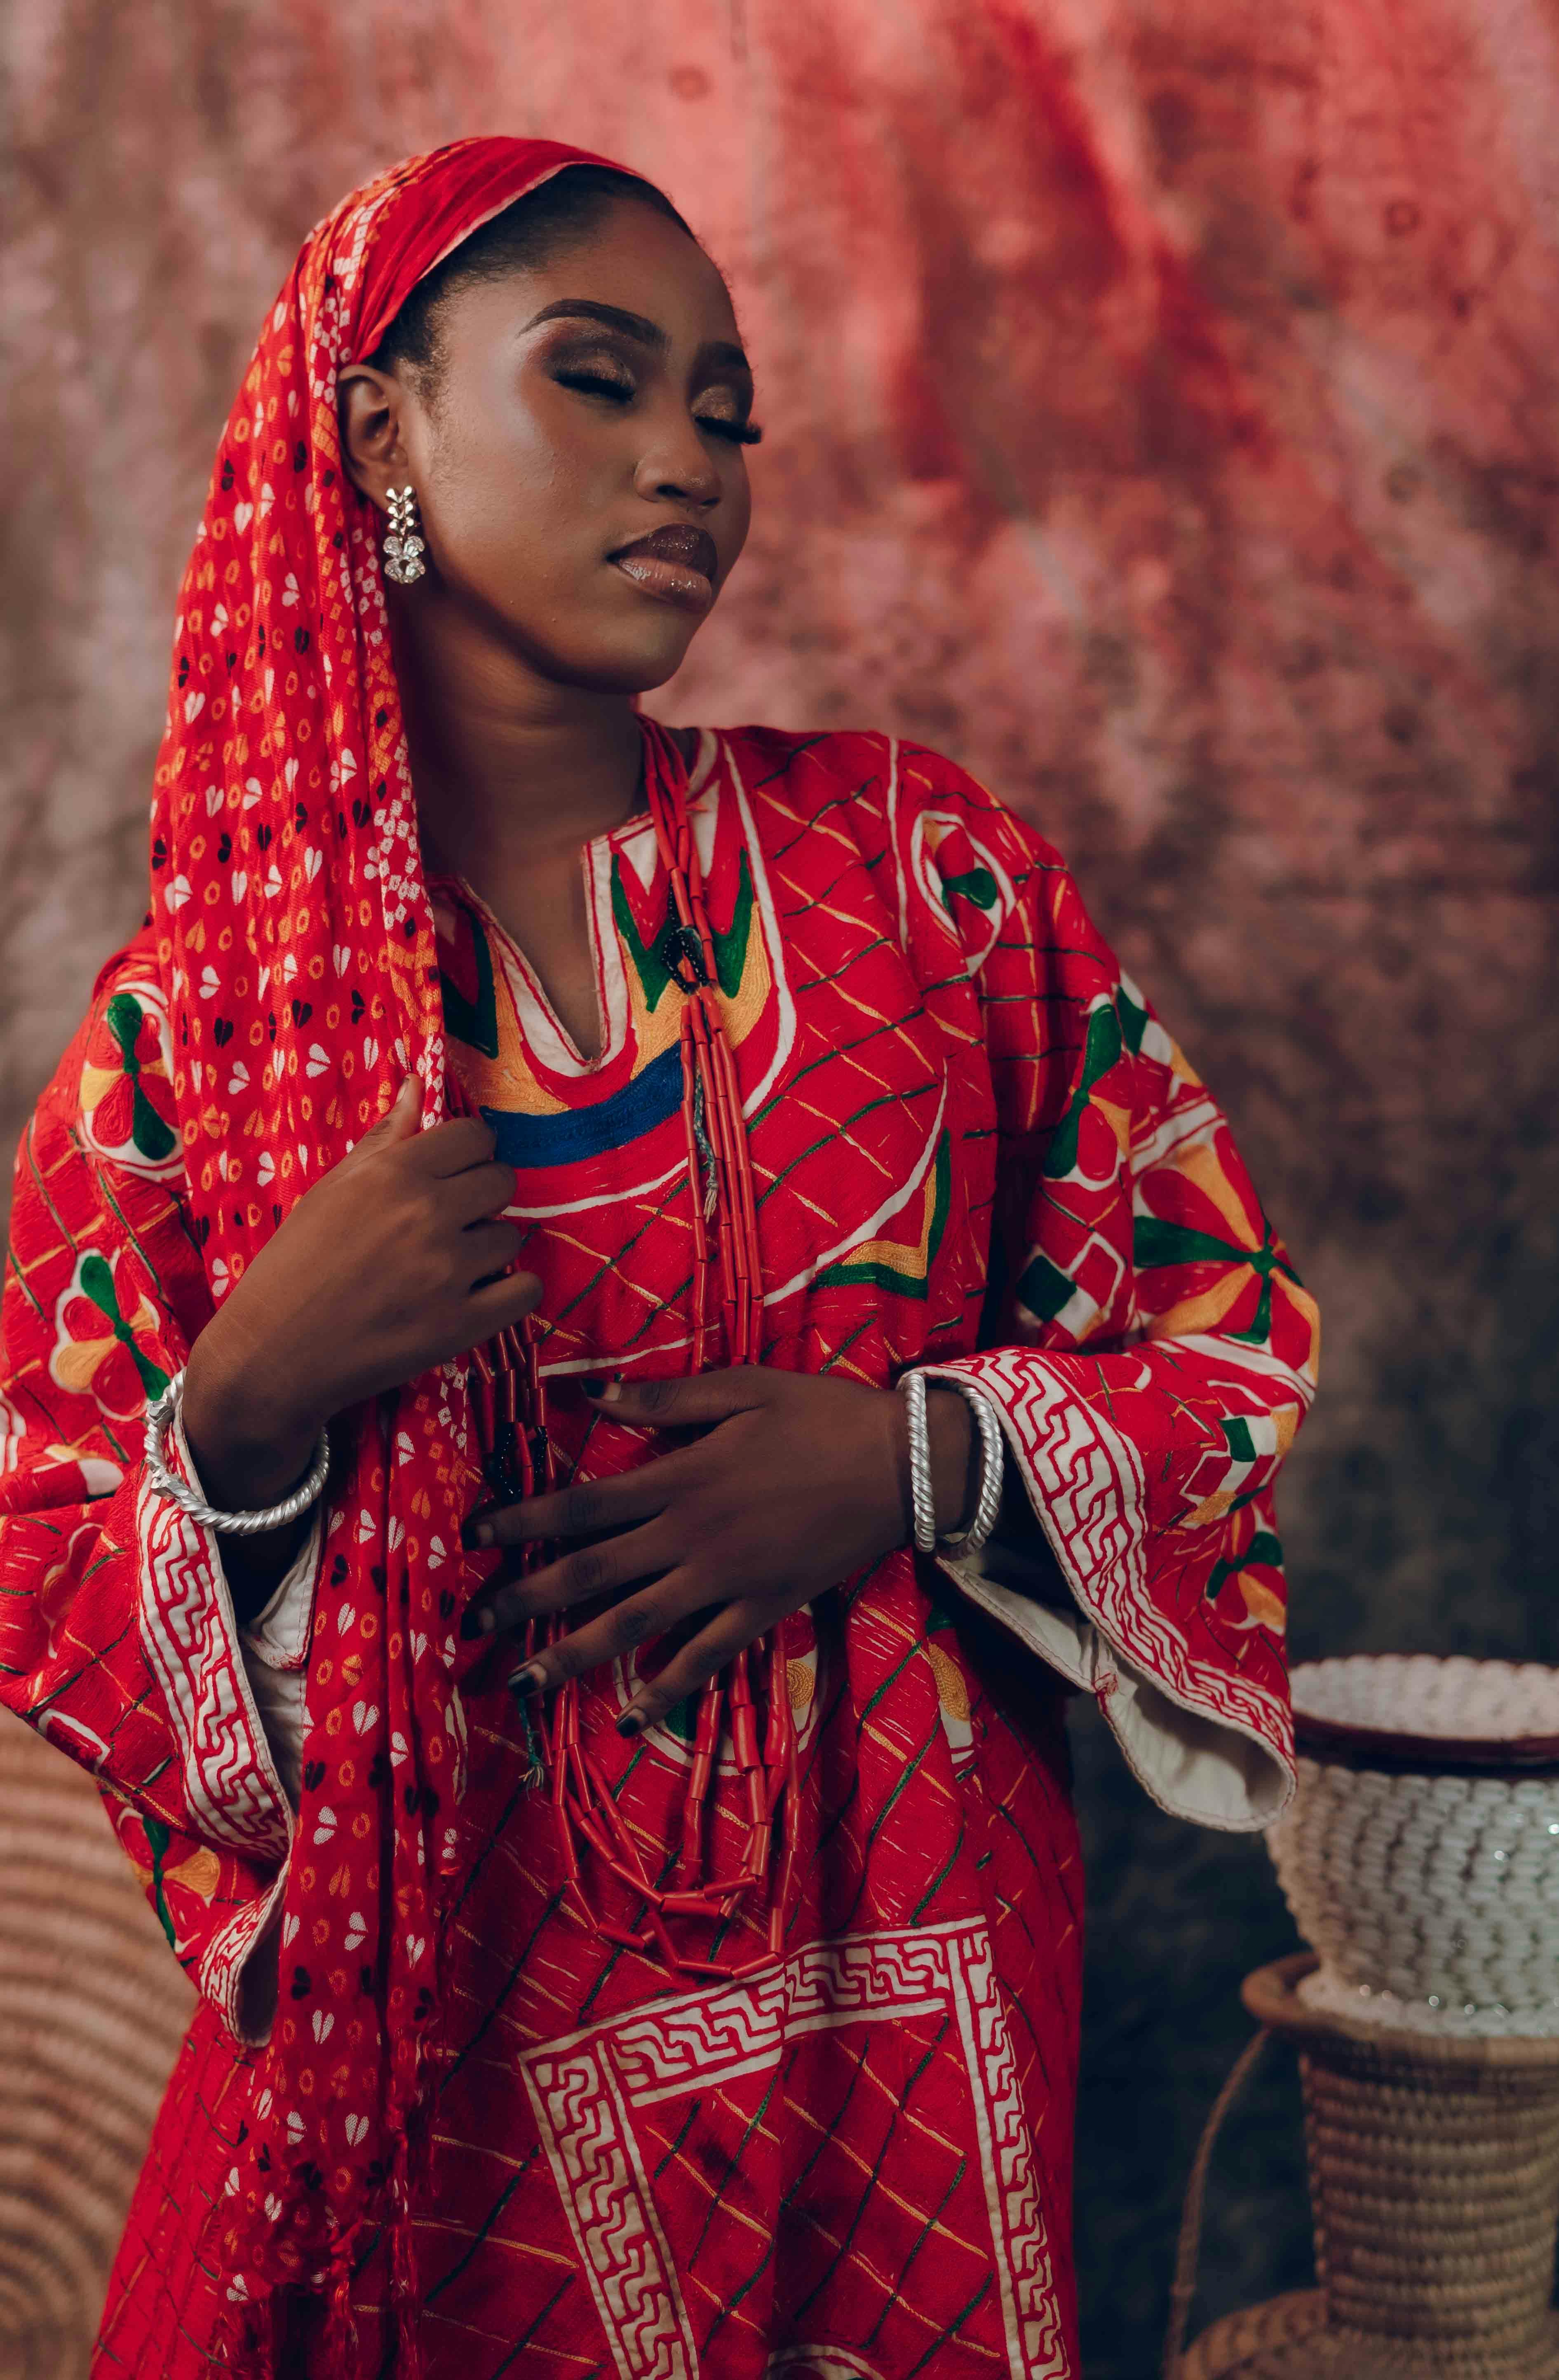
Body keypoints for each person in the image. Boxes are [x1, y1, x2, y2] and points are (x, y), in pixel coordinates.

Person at [0, 136, 1318, 2380]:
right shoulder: (190, 1050)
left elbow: (1220, 1345)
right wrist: (245, 1413)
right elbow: (47, 1576)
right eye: (597, 382)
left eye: (722, 410)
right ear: (379, 434)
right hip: (457, 2068)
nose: (685, 462)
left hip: (905, 1999)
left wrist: (909, 1460)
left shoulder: (924, 882)